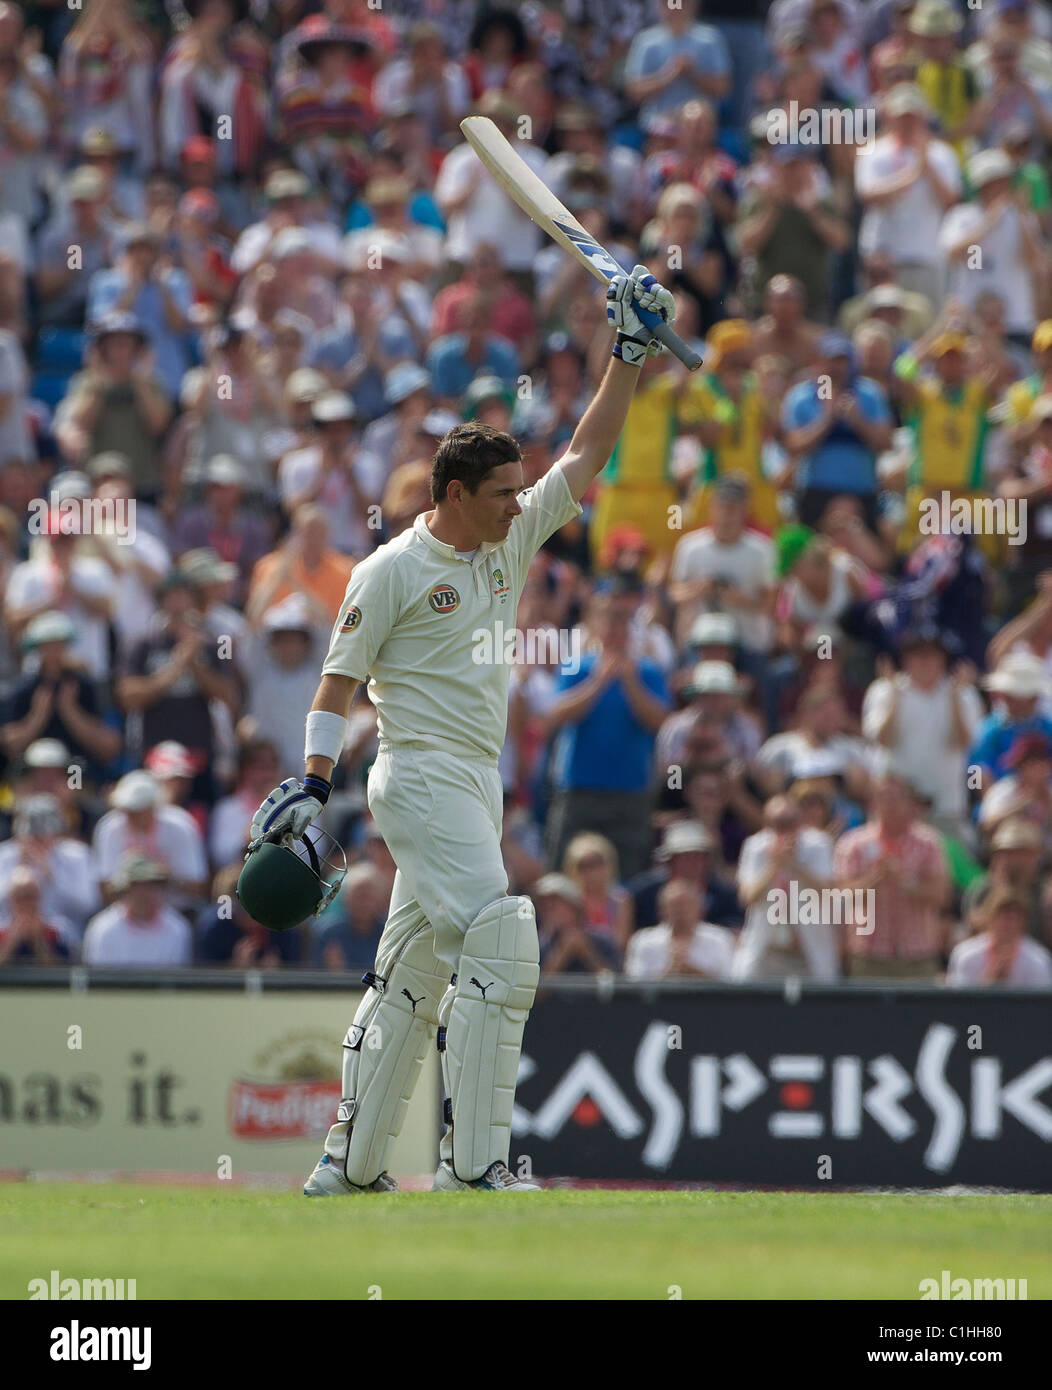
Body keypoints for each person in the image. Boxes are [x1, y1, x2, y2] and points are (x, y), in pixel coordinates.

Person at [248, 263, 677, 1194]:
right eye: (500, 495)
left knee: (409, 978)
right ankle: (476, 1168)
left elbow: (588, 456)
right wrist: (315, 779)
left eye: (519, 494)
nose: (521, 506)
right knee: (501, 936)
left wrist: (627, 356)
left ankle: (349, 1169)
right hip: (417, 771)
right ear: (450, 492)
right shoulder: (391, 570)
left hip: (474, 781)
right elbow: (335, 684)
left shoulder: (508, 538)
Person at [82, 853, 192, 967]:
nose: (143, 893)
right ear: (123, 890)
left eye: (150, 885)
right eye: (135, 886)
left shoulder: (178, 929)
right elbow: (99, 980)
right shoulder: (102, 929)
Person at [623, 878, 735, 980]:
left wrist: (694, 973)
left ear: (699, 908)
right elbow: (635, 985)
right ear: (662, 910)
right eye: (675, 906)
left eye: (686, 905)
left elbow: (730, 982)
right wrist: (669, 974)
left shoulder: (719, 939)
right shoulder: (644, 941)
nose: (681, 912)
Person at [947, 886, 1052, 986]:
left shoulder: (1039, 961)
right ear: (989, 917)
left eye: (1015, 919)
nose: (1010, 925)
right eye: (1004, 917)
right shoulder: (966, 956)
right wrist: (988, 982)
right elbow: (959, 1001)